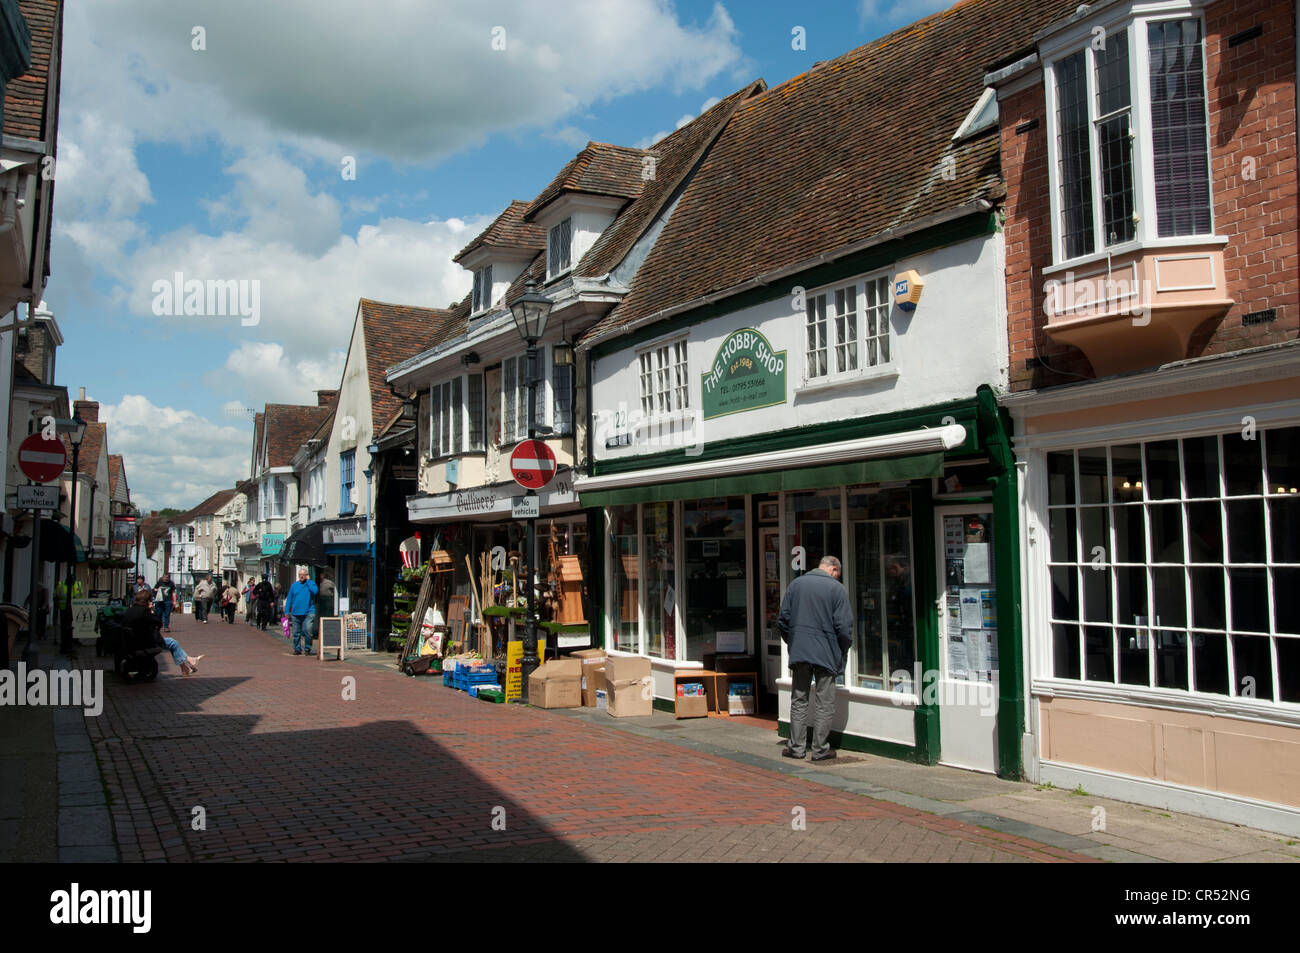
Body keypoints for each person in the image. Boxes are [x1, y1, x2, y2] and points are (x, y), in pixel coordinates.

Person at [777, 555, 854, 762]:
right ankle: (820, 749)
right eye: (838, 574)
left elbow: (783, 619)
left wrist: (793, 642)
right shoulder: (837, 590)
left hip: (800, 652)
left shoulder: (796, 585)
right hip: (826, 654)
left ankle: (796, 747)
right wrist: (842, 649)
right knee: (824, 702)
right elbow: (844, 628)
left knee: (799, 699)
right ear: (834, 570)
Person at [122, 590, 204, 675]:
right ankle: (188, 661)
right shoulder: (144, 611)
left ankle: (186, 666)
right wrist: (151, 611)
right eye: (150, 600)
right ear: (147, 601)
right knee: (172, 642)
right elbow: (158, 622)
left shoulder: (130, 610)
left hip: (132, 642)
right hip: (144, 644)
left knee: (172, 642)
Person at [284, 567, 319, 656]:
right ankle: (297, 648)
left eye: (304, 575)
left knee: (308, 630)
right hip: (296, 613)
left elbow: (315, 592)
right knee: (296, 632)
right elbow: (289, 599)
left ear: (306, 576)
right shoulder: (294, 585)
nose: (302, 576)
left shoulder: (311, 584)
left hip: (308, 612)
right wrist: (286, 611)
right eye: (300, 575)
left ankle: (307, 647)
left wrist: (308, 582)